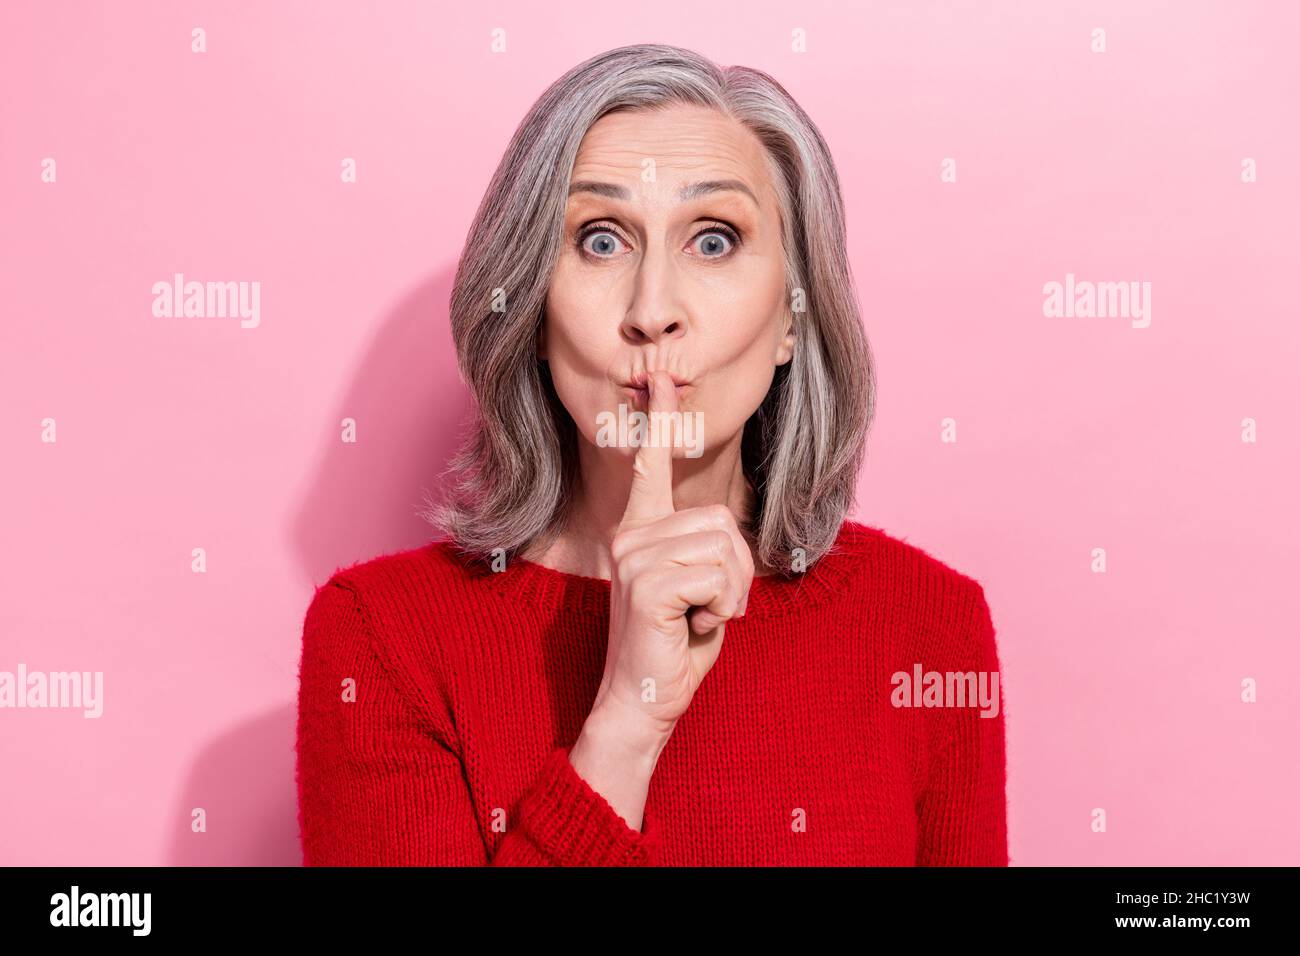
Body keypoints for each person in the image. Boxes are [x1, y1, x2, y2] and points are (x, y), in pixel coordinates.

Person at [295, 43, 1008, 866]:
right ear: (530, 307)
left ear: (790, 319)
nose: (653, 310)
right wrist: (627, 725)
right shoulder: (381, 638)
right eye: (601, 240)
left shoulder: (930, 627)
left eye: (713, 241)